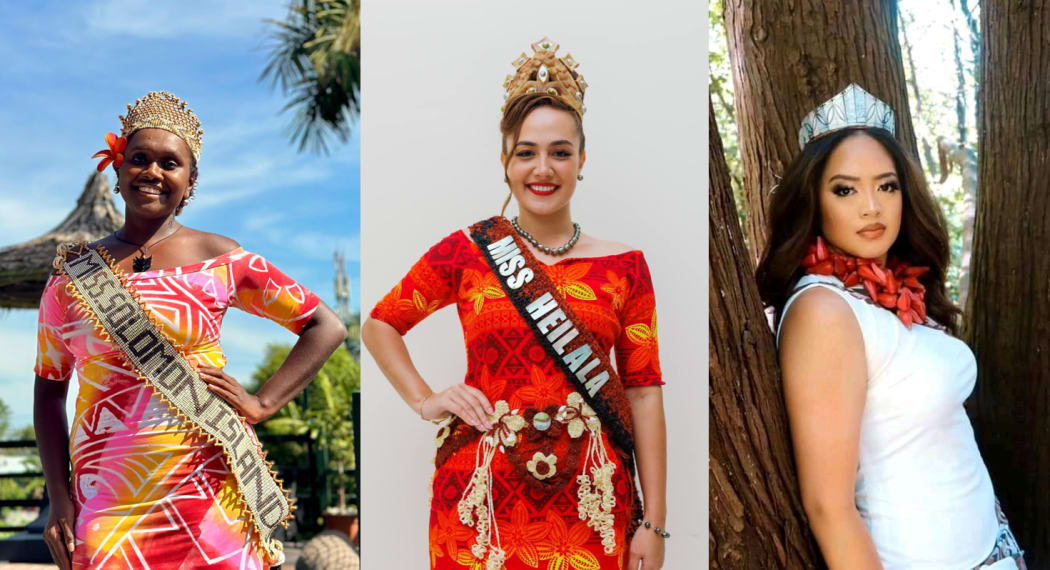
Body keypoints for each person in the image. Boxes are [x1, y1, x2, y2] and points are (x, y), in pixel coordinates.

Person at [362, 38, 668, 570]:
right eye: (526, 152)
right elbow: (380, 325)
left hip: (592, 505)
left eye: (560, 152)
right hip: (480, 504)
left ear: (582, 160)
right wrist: (425, 398)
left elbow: (643, 395)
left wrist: (654, 522)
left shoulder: (627, 268)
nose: (542, 168)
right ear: (505, 161)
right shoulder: (467, 252)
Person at [34, 91, 347, 570]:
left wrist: (264, 403)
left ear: (191, 180)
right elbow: (48, 390)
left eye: (170, 163)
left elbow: (325, 325)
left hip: (208, 494)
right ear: (117, 170)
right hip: (107, 501)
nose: (153, 172)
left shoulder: (220, 258)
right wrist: (59, 498)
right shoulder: (70, 279)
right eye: (139, 159)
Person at [756, 84, 1024, 569]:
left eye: (886, 185)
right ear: (813, 201)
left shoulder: (897, 293)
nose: (871, 207)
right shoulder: (824, 312)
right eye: (845, 189)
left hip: (993, 547)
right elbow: (828, 507)